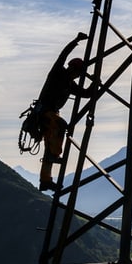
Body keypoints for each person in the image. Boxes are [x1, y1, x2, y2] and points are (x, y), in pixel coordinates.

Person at [38, 31, 90, 191]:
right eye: (76, 72)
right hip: (45, 111)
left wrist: (95, 84)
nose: (75, 76)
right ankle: (54, 156)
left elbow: (86, 94)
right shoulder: (57, 73)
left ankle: (45, 180)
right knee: (60, 125)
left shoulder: (70, 84)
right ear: (71, 68)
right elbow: (63, 54)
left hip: (50, 113)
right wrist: (76, 40)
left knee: (50, 145)